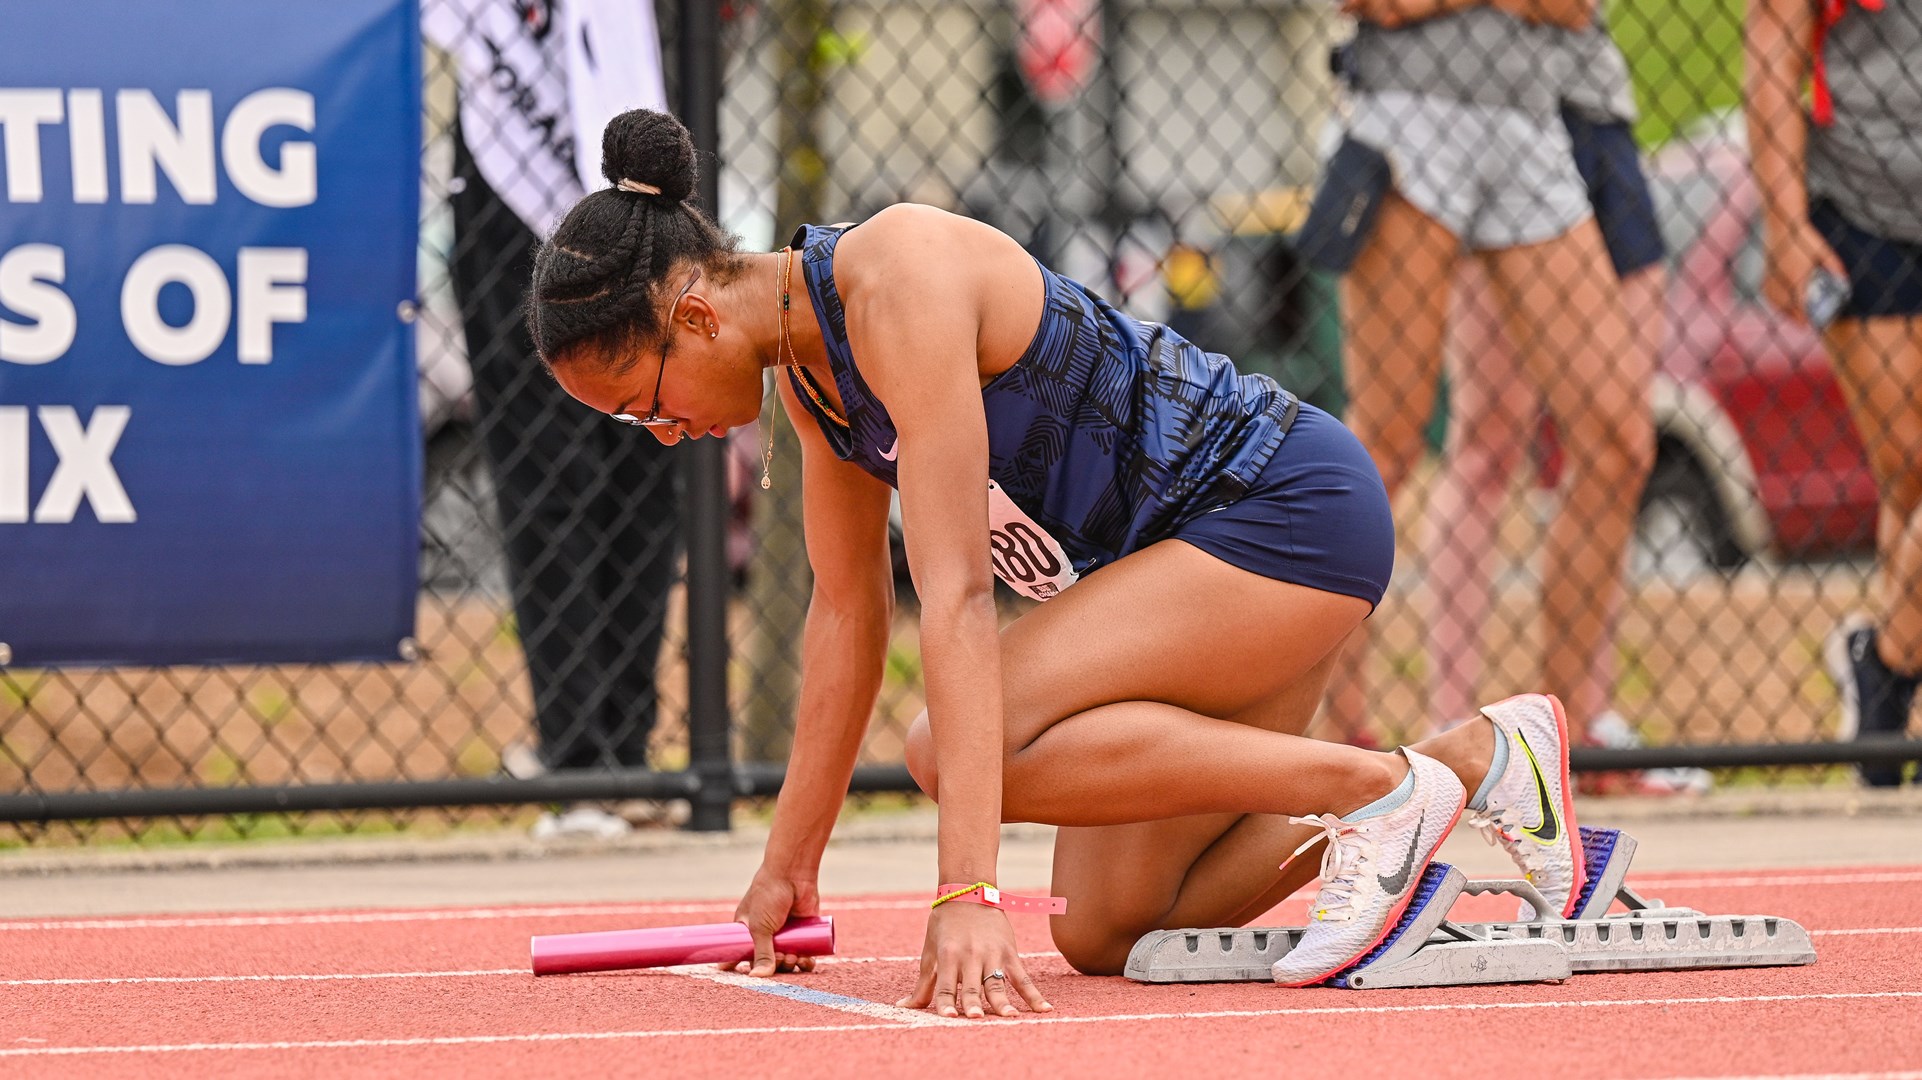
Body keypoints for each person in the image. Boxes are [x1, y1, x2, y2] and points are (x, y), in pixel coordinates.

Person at [523, 108, 1592, 1014]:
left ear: (695, 315)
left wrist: (967, 895)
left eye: (640, 404)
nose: (660, 433)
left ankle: (1378, 792)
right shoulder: (812, 384)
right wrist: (785, 868)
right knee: (1109, 928)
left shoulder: (893, 283)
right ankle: (1468, 766)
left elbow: (954, 597)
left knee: (948, 745)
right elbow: (844, 623)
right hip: (1190, 570)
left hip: (1281, 512)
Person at [1310, 0, 1656, 763]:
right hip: (1407, 120)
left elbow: (1569, 9)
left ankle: (1557, 755)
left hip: (1529, 130)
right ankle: (1340, 742)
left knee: (1618, 440)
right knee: (1386, 446)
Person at [1419, 17, 1713, 795]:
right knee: (1487, 443)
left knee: (1617, 447)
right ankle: (1453, 739)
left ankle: (1580, 726)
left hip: (1596, 124)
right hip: (1498, 121)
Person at [430, 0, 683, 834]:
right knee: (547, 471)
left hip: (652, 170)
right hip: (509, 197)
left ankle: (625, 749)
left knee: (649, 453)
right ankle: (577, 760)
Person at [1748, 0, 1922, 786]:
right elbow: (1772, 48)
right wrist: (1785, 226)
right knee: (1912, 466)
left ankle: (1889, 662)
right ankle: (1889, 668)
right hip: (1862, 203)